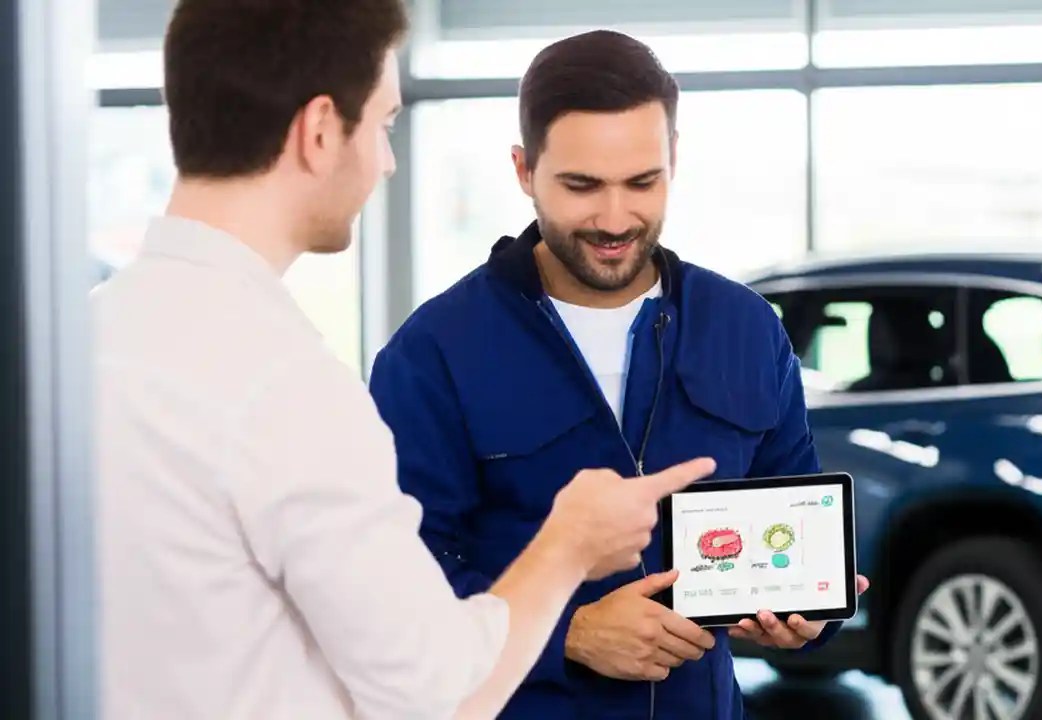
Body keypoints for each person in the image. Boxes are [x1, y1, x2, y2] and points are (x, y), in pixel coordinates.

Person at [92, 3, 716, 720]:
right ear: (320, 131)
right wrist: (568, 548)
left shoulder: (83, 340)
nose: (386, 162)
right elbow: (434, 698)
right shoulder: (286, 385)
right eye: (384, 125)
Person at [368, 29, 870, 720]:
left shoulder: (747, 329)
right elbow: (393, 589)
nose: (614, 218)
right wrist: (567, 635)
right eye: (582, 186)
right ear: (524, 170)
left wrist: (811, 614)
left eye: (642, 182)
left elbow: (794, 520)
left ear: (674, 160)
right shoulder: (434, 353)